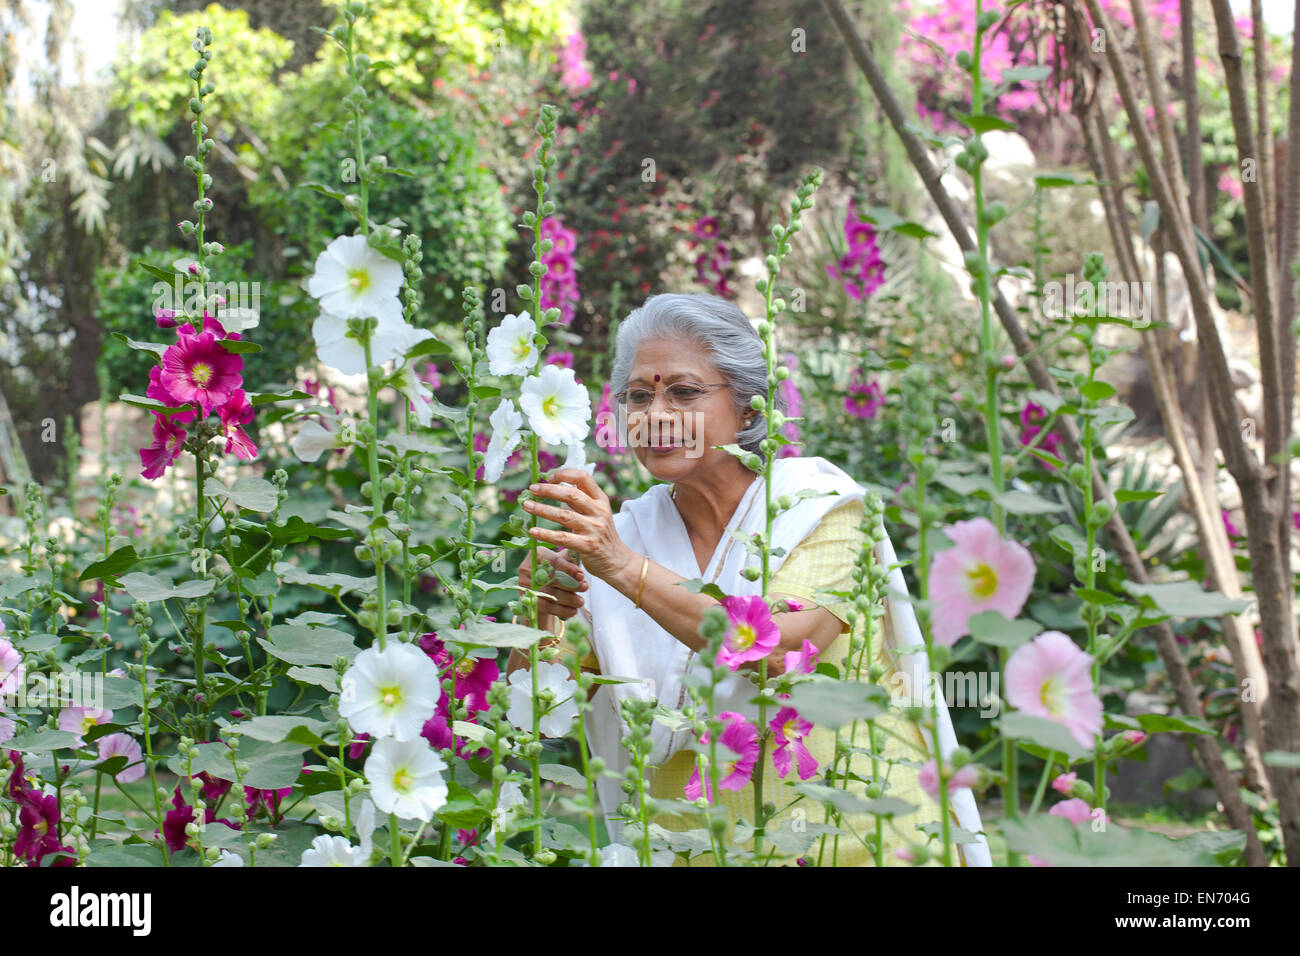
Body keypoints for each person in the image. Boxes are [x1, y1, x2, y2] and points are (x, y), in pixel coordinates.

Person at [508, 292, 990, 866]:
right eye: (638, 395)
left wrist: (618, 566)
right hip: (694, 846)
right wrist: (541, 607)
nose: (655, 414)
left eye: (683, 392)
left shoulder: (818, 505)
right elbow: (533, 713)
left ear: (749, 408)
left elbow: (781, 650)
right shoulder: (627, 533)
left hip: (858, 839)